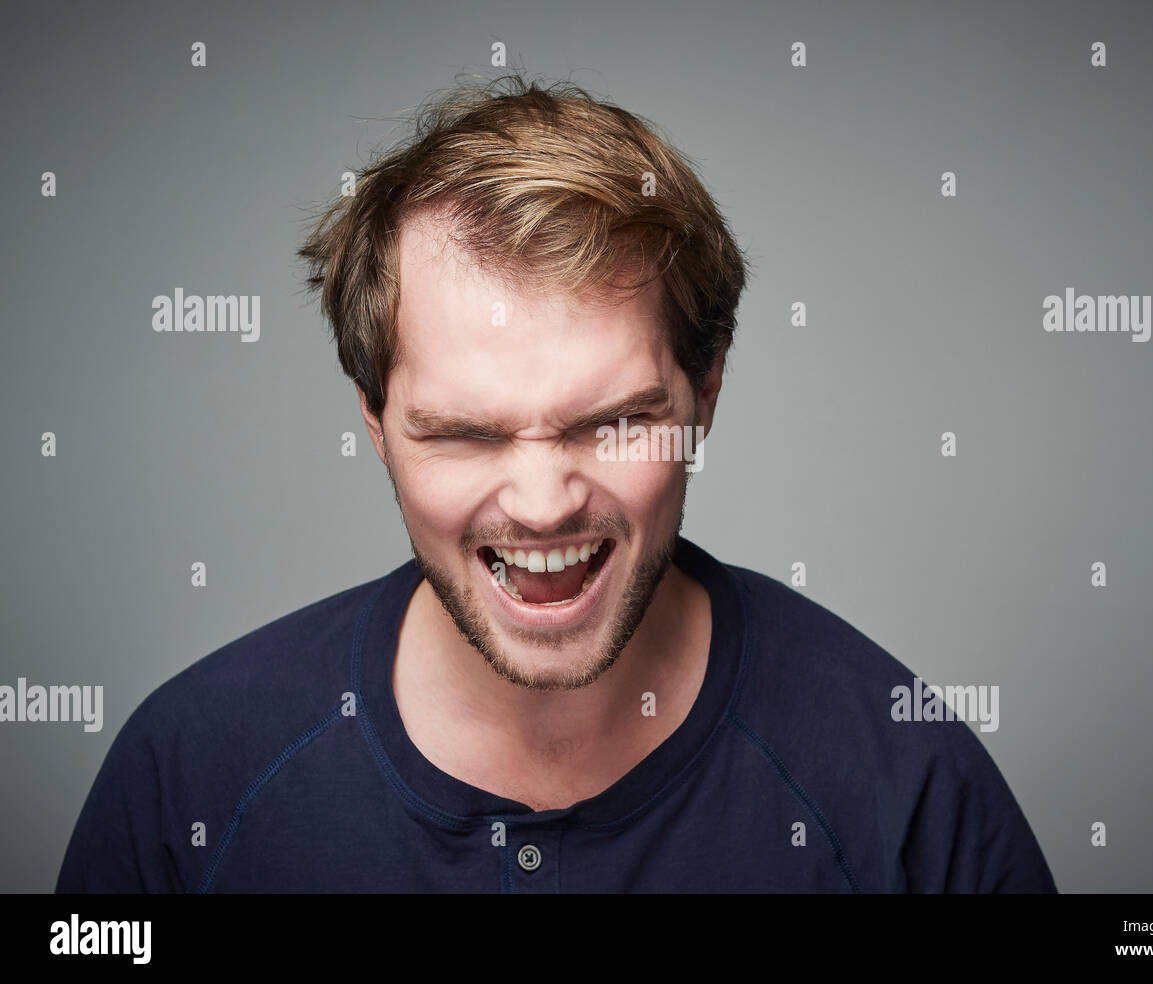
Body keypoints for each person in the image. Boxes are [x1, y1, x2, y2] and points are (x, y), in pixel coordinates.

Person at [56, 74, 1055, 892]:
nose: (542, 504)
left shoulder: (900, 779)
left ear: (705, 395)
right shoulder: (187, 775)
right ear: (374, 422)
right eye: (462, 434)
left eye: (615, 422)